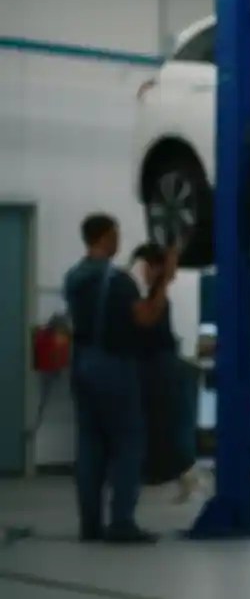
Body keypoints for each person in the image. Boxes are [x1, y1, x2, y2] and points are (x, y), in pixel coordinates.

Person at [62, 214, 175, 543]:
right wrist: (163, 282)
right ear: (104, 237)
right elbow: (146, 318)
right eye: (116, 234)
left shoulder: (73, 277)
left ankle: (90, 525)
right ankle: (122, 523)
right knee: (128, 443)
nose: (119, 240)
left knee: (90, 445)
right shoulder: (118, 281)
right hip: (113, 366)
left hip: (81, 364)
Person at [131, 243, 204, 502]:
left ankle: (188, 476)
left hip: (161, 369)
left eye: (146, 267)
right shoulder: (146, 297)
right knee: (164, 428)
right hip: (154, 367)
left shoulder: (156, 300)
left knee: (171, 427)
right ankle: (184, 476)